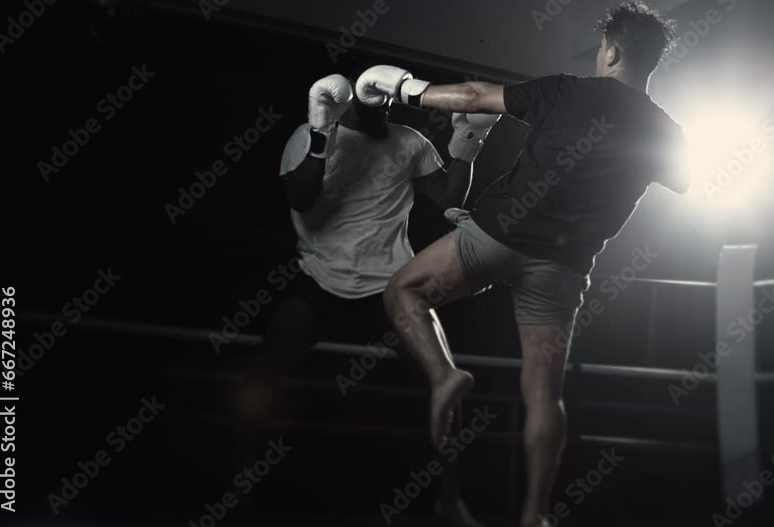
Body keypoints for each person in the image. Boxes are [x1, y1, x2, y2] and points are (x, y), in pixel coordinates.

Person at [354, 3, 687, 526]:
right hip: (564, 268)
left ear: (611, 50)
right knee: (544, 395)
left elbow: (472, 96)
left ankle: (443, 375)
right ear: (651, 61)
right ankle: (535, 517)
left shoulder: (565, 91)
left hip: (498, 236)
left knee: (403, 292)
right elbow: (684, 181)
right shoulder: (664, 130)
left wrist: (405, 89)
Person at [233, 66, 497, 527]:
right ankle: (237, 488)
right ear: (352, 99)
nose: (384, 107)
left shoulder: (409, 140)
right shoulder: (309, 133)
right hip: (320, 278)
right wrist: (321, 135)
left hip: (393, 285)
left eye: (391, 100)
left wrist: (468, 142)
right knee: (260, 375)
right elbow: (299, 197)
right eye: (377, 98)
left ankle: (450, 499)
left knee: (446, 381)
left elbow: (449, 197)